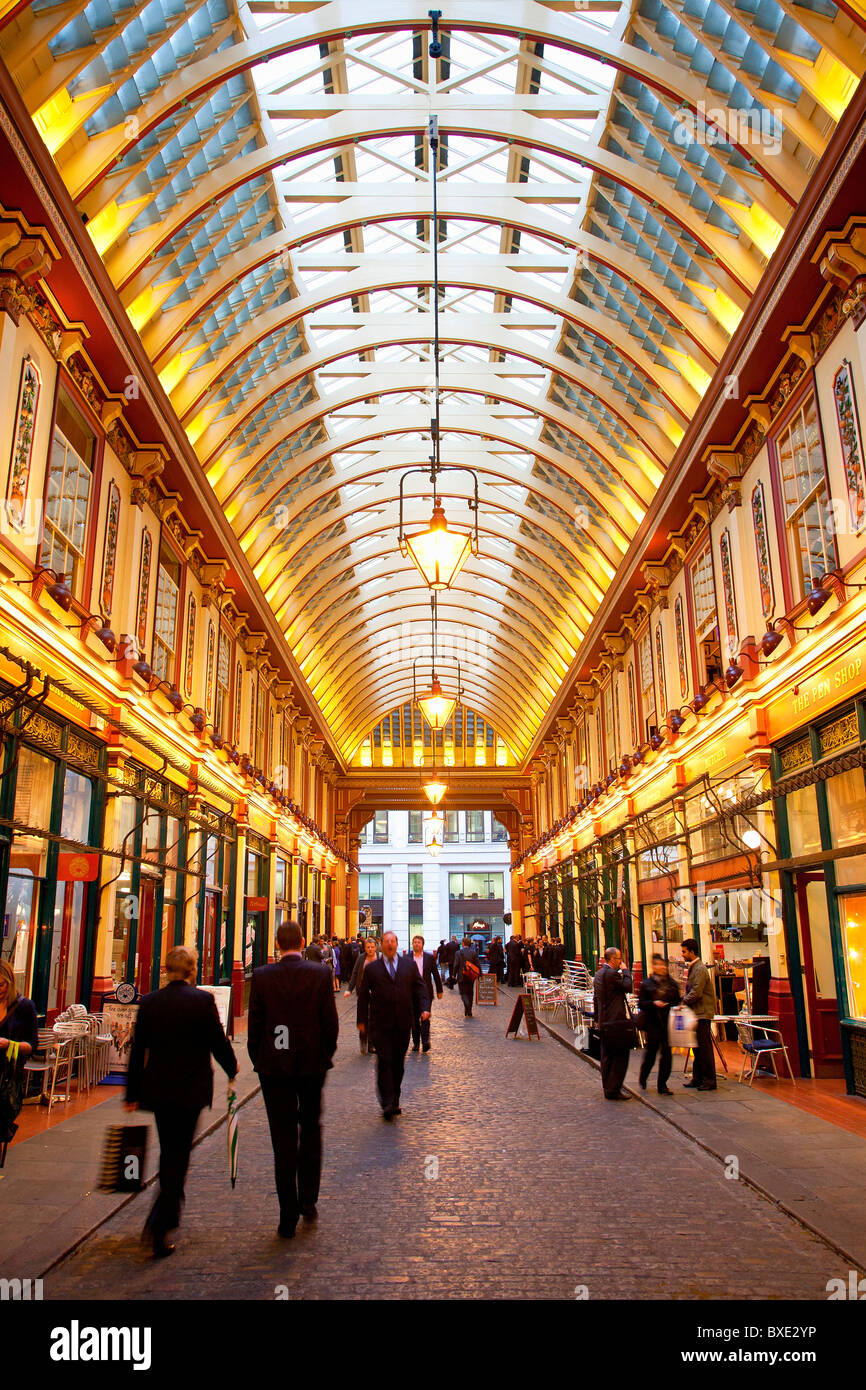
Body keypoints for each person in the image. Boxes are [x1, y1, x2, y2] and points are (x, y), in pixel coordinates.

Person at [125, 945, 237, 1257]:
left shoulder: (149, 1002)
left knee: (169, 1151)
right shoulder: (202, 1001)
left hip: (159, 1090)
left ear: (166, 969)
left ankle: (165, 1215)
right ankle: (160, 1224)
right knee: (179, 1155)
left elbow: (138, 1050)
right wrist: (232, 1067)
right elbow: (217, 1040)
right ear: (191, 970)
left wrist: (132, 1093)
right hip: (190, 1091)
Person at [248, 920, 339, 1238]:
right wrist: (324, 1054)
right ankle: (308, 1200)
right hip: (311, 1066)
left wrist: (260, 1061)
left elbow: (255, 1027)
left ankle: (287, 1214)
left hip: (275, 1069)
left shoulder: (261, 976)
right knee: (311, 1131)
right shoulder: (320, 974)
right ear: (302, 942)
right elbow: (330, 1023)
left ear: (276, 942)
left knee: (282, 1139)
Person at [357, 930, 427, 1120]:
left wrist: (424, 1007)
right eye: (386, 941)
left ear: (396, 944)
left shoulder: (408, 966)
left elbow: (420, 987)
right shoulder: (372, 969)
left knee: (398, 1063)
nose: (389, 944)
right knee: (384, 1061)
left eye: (392, 941)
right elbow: (363, 996)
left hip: (403, 1023)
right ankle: (386, 1101)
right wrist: (362, 1020)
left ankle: (395, 1097)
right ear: (382, 945)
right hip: (380, 1024)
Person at [0, 959, 37, 1147]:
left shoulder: (24, 1007)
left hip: (7, 1078)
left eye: (1, 985)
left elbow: (33, 1046)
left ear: (10, 982)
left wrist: (10, 1044)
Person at [593, 945, 634, 1101]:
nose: (620, 962)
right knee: (619, 1057)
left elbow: (595, 998)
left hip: (604, 1020)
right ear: (612, 959)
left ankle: (608, 1087)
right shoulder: (612, 974)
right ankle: (614, 1089)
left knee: (606, 1057)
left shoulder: (598, 975)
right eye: (619, 959)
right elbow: (628, 987)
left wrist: (597, 1019)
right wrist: (625, 971)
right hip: (615, 1021)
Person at [637, 954, 681, 1094]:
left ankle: (662, 1084)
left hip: (668, 1023)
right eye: (658, 965)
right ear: (653, 967)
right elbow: (641, 1003)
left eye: (663, 965)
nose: (661, 967)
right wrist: (653, 1003)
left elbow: (677, 1000)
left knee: (667, 1055)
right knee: (651, 1053)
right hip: (653, 1022)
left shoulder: (672, 984)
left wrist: (675, 1006)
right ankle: (643, 1077)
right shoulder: (647, 984)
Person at [681, 938, 717, 1091]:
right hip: (696, 1013)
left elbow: (696, 992)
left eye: (684, 952)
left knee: (704, 1047)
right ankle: (698, 1077)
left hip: (702, 1013)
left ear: (691, 951)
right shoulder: (694, 967)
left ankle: (709, 1080)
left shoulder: (700, 969)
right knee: (696, 1047)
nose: (682, 955)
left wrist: (682, 1001)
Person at [408, 934, 443, 1052]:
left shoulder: (428, 958)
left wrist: (439, 990)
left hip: (426, 993)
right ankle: (416, 1042)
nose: (416, 944)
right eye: (414, 942)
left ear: (422, 944)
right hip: (411, 993)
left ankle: (425, 1041)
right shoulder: (407, 958)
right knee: (414, 1020)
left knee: (425, 1017)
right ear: (412, 944)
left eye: (418, 942)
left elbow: (435, 974)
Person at [345, 938, 378, 1053]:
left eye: (372, 947)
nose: (370, 949)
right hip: (363, 992)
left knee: (374, 1019)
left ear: (376, 947)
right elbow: (355, 974)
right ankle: (363, 1040)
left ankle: (371, 1045)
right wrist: (350, 989)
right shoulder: (361, 958)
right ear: (365, 948)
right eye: (368, 947)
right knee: (363, 1018)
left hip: (377, 994)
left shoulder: (380, 959)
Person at [454, 936, 481, 1018]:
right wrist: (480, 974)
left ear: (463, 943)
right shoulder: (473, 953)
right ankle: (469, 1010)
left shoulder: (458, 953)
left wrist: (453, 974)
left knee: (463, 993)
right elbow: (478, 964)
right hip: (470, 976)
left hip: (461, 976)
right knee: (470, 993)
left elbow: (456, 965)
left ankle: (467, 1007)